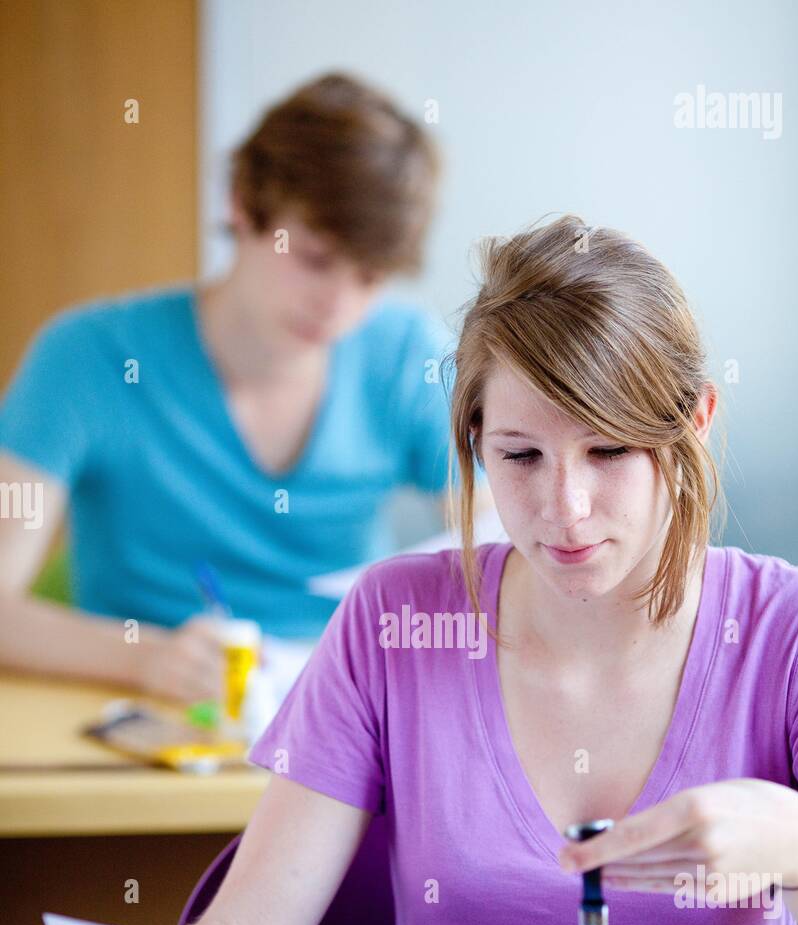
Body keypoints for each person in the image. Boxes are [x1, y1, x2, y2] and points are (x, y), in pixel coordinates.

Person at [15, 214, 798, 925]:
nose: (563, 509)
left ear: (694, 423)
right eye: (520, 455)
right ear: (472, 442)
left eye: (608, 450)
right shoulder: (393, 619)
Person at [0, 72, 461, 704]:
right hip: (150, 718)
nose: (338, 305)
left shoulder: (408, 354)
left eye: (371, 276)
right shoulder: (88, 358)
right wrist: (146, 659)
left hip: (346, 714)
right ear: (242, 205)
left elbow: (498, 543)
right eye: (316, 259)